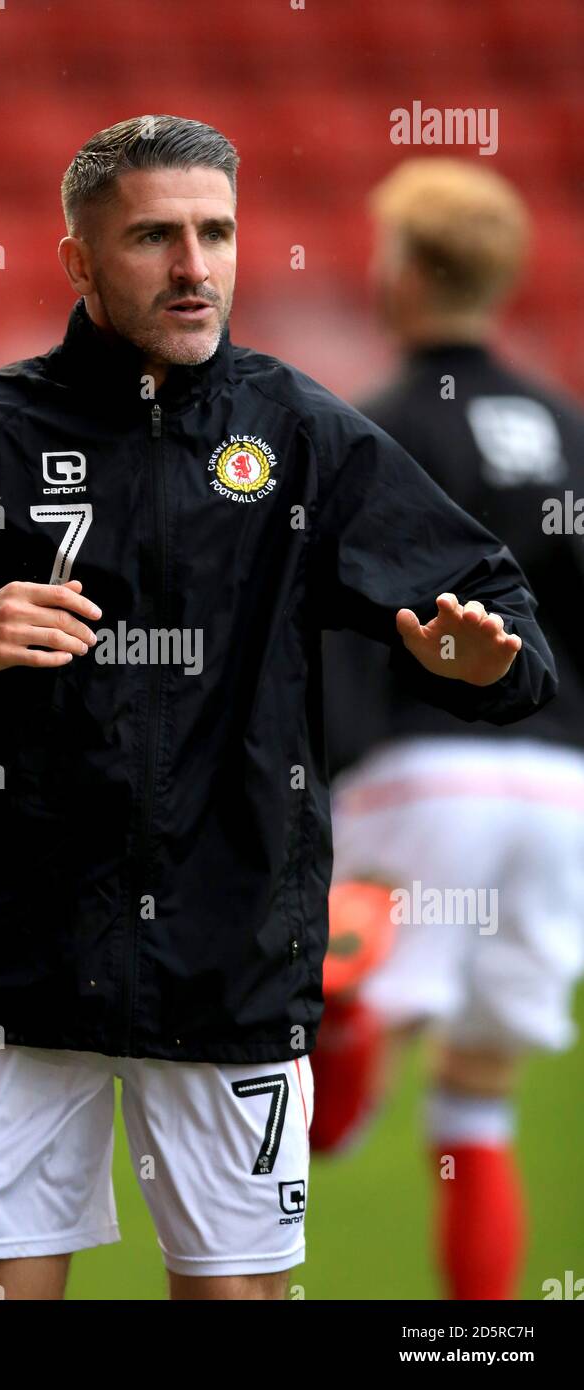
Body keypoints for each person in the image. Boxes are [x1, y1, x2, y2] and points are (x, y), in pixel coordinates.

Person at [0, 118, 556, 1303]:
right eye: (154, 238)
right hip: (15, 976)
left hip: (230, 976)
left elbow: (505, 622)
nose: (194, 267)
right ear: (78, 260)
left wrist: (478, 662)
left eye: (216, 233)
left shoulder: (299, 436)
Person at [316, 159, 584, 1299]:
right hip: (559, 788)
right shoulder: (568, 427)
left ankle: (349, 1024)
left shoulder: (371, 426)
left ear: (410, 271)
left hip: (417, 771)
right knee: (478, 1101)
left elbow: (332, 617)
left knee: (315, 1093)